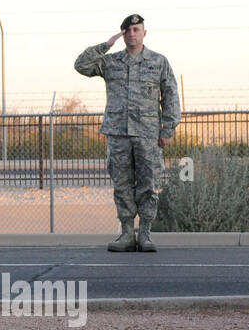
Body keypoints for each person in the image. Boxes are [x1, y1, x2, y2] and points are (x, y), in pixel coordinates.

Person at [74, 14, 181, 252]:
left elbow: (171, 95)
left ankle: (145, 234)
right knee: (121, 185)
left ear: (144, 32)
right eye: (128, 31)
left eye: (136, 29)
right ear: (123, 34)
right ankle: (125, 234)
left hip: (148, 134)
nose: (132, 34)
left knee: (148, 183)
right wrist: (106, 44)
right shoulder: (111, 62)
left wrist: (168, 128)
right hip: (118, 133)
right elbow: (81, 65)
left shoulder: (158, 62)